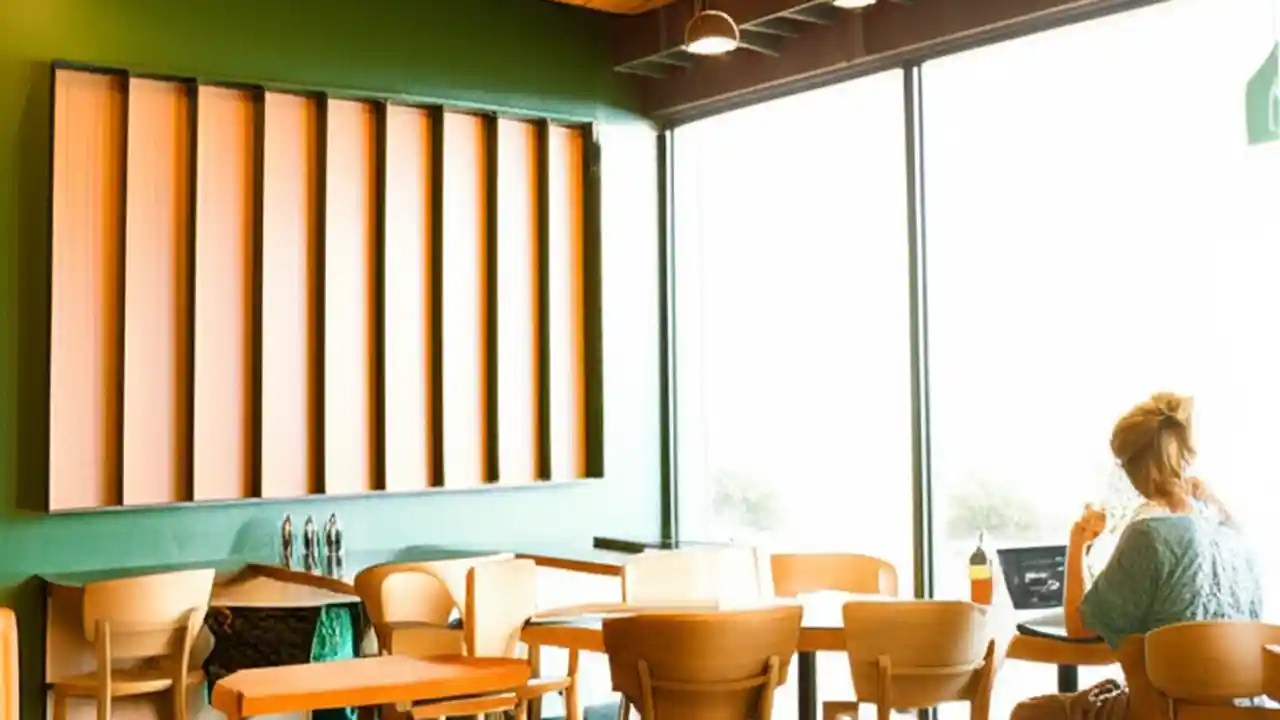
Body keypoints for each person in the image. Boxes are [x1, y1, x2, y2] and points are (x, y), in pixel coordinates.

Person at [1011, 392, 1264, 720]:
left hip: (1164, 713)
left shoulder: (1150, 535)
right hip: (1243, 715)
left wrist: (1078, 543)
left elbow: (1079, 627)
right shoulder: (1236, 537)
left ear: (1129, 469)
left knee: (1030, 713)